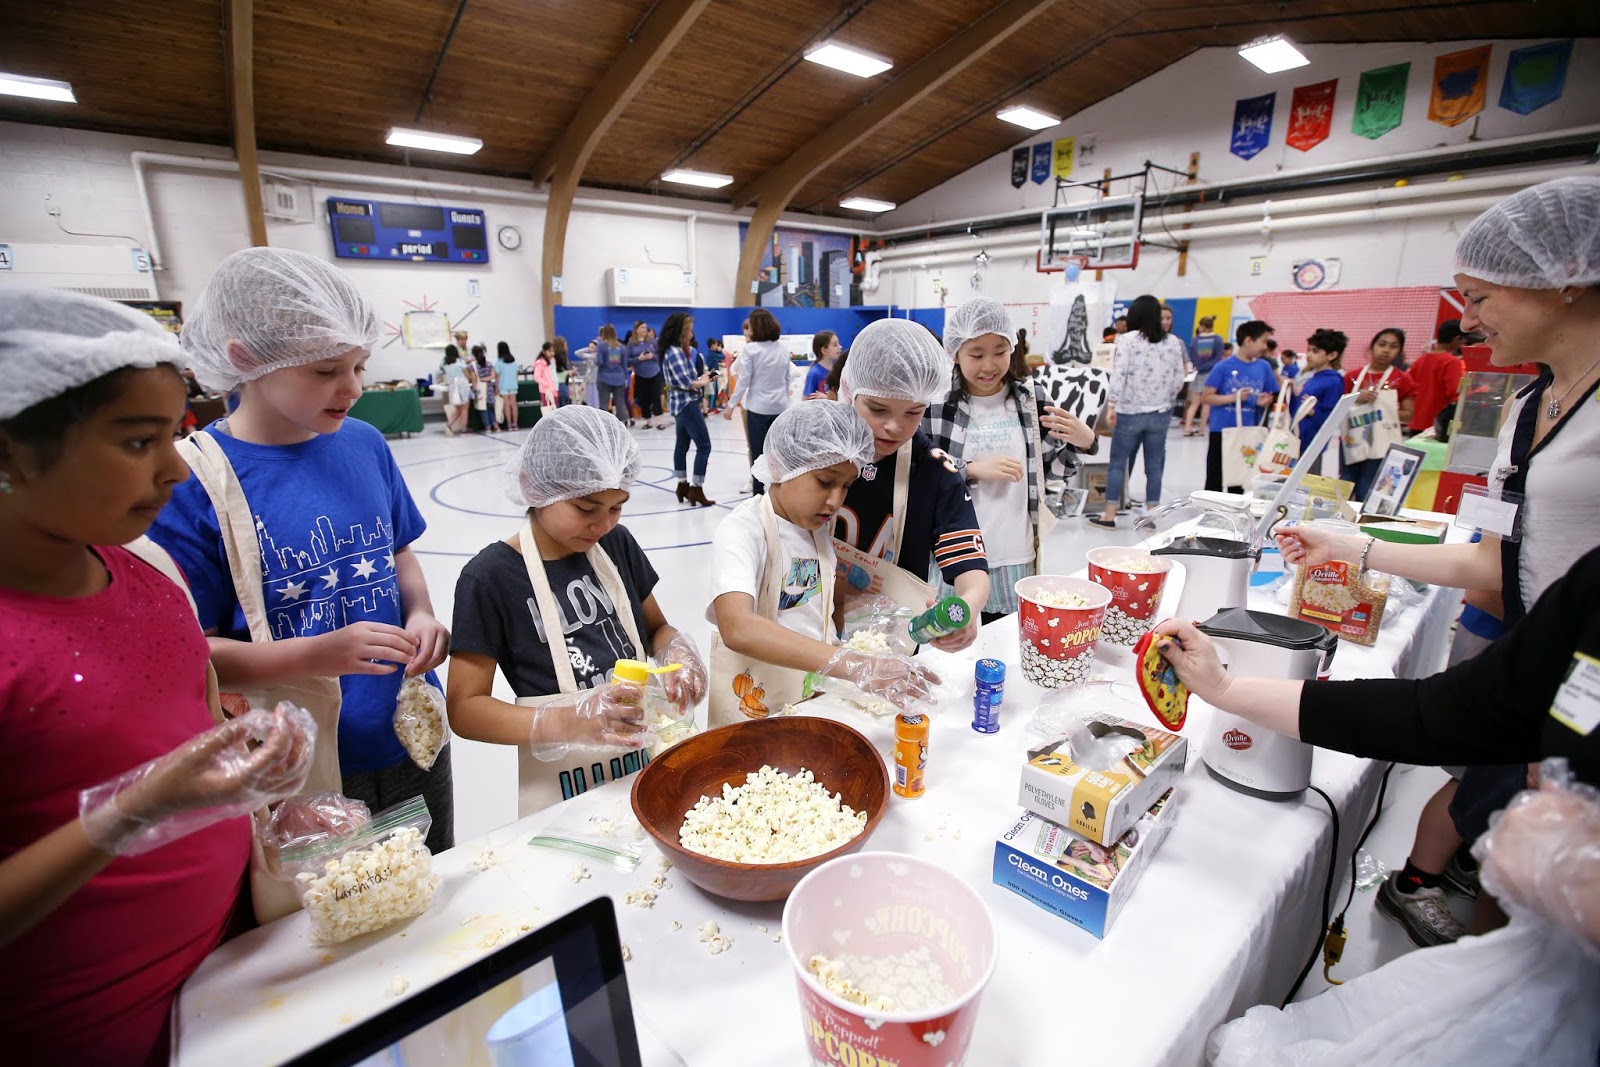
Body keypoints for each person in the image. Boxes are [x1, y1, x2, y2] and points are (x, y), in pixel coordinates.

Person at [1277, 175, 1600, 946]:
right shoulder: (1530, 406)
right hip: (1528, 662)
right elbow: (1494, 562)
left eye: (1482, 296)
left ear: (1565, 279)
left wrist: (1572, 729)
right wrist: (1355, 545)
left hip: (1581, 683)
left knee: (1550, 891)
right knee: (1504, 855)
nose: (1469, 318)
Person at [0, 290, 319, 1065]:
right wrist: (129, 811)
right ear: (11, 450)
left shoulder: (140, 569)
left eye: (175, 434)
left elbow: (192, 720)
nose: (178, 469)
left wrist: (258, 795)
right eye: (140, 441)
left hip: (230, 963)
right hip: (92, 1019)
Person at [150, 247, 455, 853]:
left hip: (408, 736)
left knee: (430, 896)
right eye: (324, 371)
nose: (353, 388)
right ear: (245, 359)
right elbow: (193, 654)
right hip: (294, 764)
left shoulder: (364, 444)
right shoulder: (193, 481)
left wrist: (419, 611)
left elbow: (397, 552)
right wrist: (315, 654)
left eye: (359, 365)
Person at [447, 407, 705, 814]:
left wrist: (677, 650)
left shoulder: (616, 546)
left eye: (616, 507)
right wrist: (566, 721)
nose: (602, 524)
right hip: (566, 780)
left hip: (644, 755)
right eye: (586, 509)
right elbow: (465, 709)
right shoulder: (490, 577)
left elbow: (655, 627)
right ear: (534, 488)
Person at [710, 400, 940, 707]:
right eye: (825, 482)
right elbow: (737, 626)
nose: (835, 500)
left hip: (812, 692)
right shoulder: (743, 530)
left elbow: (810, 595)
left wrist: (874, 612)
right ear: (781, 465)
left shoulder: (816, 529)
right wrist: (856, 665)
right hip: (760, 698)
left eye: (846, 486)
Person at [926, 299, 1096, 623]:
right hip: (953, 551)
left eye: (1000, 351)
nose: (989, 365)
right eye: (976, 354)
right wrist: (970, 469)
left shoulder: (1031, 398)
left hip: (1015, 548)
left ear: (1012, 348)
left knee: (1002, 640)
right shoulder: (937, 403)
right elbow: (922, 471)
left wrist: (1083, 443)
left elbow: (1048, 472)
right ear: (955, 352)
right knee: (945, 639)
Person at [835, 318, 990, 652]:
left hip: (888, 641)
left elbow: (970, 567)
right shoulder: (816, 449)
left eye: (913, 413)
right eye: (877, 409)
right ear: (849, 390)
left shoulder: (933, 471)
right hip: (806, 626)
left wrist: (969, 608)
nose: (894, 426)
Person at [1093, 294, 1189, 528]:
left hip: (1129, 412)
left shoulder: (1127, 340)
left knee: (1117, 463)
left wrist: (1112, 405)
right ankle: (1151, 516)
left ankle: (1110, 515)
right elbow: (1180, 377)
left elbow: (1120, 374)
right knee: (1154, 466)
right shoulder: (1173, 342)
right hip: (1160, 413)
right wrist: (1166, 399)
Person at [1199, 320, 1277, 492]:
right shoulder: (1223, 367)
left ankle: (1235, 515)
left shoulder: (1264, 367)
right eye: (1263, 341)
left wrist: (1263, 402)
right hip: (1222, 431)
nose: (1265, 346)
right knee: (1215, 477)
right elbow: (1207, 397)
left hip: (1249, 432)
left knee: (1239, 480)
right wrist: (1233, 398)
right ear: (1248, 340)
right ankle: (1211, 513)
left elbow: (1272, 394)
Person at [1343, 328, 1418, 500]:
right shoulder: (1352, 376)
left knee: (1367, 489)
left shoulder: (1402, 379)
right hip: (1351, 440)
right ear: (1372, 346)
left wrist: (1383, 410)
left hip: (1382, 442)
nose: (1386, 350)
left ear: (1399, 351)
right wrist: (1355, 397)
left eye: (1393, 346)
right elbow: (1337, 407)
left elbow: (1408, 414)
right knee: (1345, 485)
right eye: (1382, 344)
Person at [723, 308, 792, 495]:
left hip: (759, 409)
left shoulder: (751, 350)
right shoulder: (783, 349)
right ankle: (779, 495)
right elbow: (787, 379)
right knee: (777, 455)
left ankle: (758, 497)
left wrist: (730, 405)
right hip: (779, 408)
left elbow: (744, 381)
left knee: (758, 455)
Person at [661, 312, 716, 507]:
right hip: (687, 404)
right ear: (681, 331)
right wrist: (704, 381)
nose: (692, 334)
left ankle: (682, 485)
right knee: (704, 446)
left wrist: (704, 378)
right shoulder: (675, 352)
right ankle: (696, 488)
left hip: (678, 403)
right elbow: (686, 382)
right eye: (689, 330)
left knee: (682, 445)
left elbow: (683, 380)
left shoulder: (671, 351)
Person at [1406, 320, 1476, 435]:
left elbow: (1409, 388)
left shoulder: (1420, 360)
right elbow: (1454, 391)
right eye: (1462, 340)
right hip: (1436, 424)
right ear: (1456, 338)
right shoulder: (1452, 362)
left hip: (1415, 421)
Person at [1295, 329, 1348, 469]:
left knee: (1307, 481)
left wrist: (1312, 411)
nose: (1309, 355)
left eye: (1315, 351)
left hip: (1313, 442)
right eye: (1309, 350)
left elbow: (1331, 418)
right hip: (1300, 438)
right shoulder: (1314, 377)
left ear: (1332, 355)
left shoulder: (1334, 381)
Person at [1182, 315, 1227, 437]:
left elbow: (1191, 357)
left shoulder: (1195, 340)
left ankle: (1187, 428)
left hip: (1197, 373)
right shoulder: (1218, 340)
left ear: (1202, 326)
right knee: (1206, 403)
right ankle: (1202, 429)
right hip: (1211, 374)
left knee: (1194, 403)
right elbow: (1218, 358)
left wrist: (1198, 367)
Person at [627, 322, 666, 430]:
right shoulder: (631, 343)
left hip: (654, 372)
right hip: (640, 374)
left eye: (645, 327)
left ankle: (659, 421)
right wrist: (638, 359)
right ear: (636, 329)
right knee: (644, 398)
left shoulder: (652, 341)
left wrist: (652, 356)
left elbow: (660, 355)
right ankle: (648, 421)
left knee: (656, 396)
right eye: (642, 327)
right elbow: (627, 359)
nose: (644, 329)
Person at [592, 324, 631, 424]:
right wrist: (626, 378)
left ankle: (604, 424)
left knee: (604, 402)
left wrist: (595, 358)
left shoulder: (601, 346)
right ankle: (622, 422)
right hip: (619, 378)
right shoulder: (622, 347)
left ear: (603, 334)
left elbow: (599, 362)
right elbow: (625, 365)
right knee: (620, 401)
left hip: (604, 378)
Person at [438, 344, 472, 435]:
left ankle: (449, 424)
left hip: (452, 386)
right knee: (465, 408)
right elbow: (467, 375)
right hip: (462, 384)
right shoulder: (460, 362)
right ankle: (464, 428)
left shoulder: (444, 364)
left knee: (458, 409)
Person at [805, 330, 840, 399]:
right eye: (835, 345)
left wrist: (827, 398)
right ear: (824, 350)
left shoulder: (838, 370)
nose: (840, 347)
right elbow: (806, 400)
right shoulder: (814, 373)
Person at [497, 342, 524, 429]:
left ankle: (509, 424)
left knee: (507, 405)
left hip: (503, 385)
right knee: (514, 404)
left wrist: (496, 388)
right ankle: (515, 423)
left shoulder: (499, 362)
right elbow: (516, 374)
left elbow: (497, 376)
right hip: (513, 384)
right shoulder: (513, 361)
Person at [471, 344, 496, 432]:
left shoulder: (473, 366)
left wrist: (475, 387)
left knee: (483, 409)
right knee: (491, 408)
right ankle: (496, 425)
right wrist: (486, 379)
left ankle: (488, 427)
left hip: (480, 390)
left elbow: (474, 379)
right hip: (489, 388)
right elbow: (493, 376)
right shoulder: (489, 364)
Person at [703, 335, 727, 412]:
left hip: (714, 373)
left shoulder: (711, 354)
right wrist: (720, 350)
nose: (717, 346)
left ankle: (712, 407)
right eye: (716, 345)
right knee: (713, 391)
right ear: (712, 345)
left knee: (715, 390)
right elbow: (723, 357)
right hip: (713, 373)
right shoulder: (712, 354)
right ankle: (711, 407)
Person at [531, 342, 557, 413]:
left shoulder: (552, 361)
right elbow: (537, 377)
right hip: (546, 390)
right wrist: (547, 384)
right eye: (549, 351)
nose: (552, 353)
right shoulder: (540, 363)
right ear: (544, 352)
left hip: (553, 389)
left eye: (553, 351)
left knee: (555, 409)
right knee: (548, 410)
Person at [553, 336, 572, 406]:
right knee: (563, 404)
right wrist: (570, 372)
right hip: (561, 383)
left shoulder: (553, 358)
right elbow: (560, 371)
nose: (567, 346)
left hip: (560, 383)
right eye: (565, 344)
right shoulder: (560, 358)